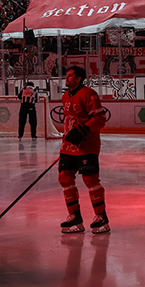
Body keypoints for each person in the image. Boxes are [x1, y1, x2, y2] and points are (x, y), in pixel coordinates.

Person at [59, 65, 109, 234]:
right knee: (65, 178)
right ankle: (74, 217)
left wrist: (82, 132)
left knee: (90, 180)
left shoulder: (89, 93)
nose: (67, 78)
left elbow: (100, 118)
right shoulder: (65, 96)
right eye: (67, 75)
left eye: (70, 76)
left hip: (87, 145)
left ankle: (101, 217)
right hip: (68, 146)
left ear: (79, 78)